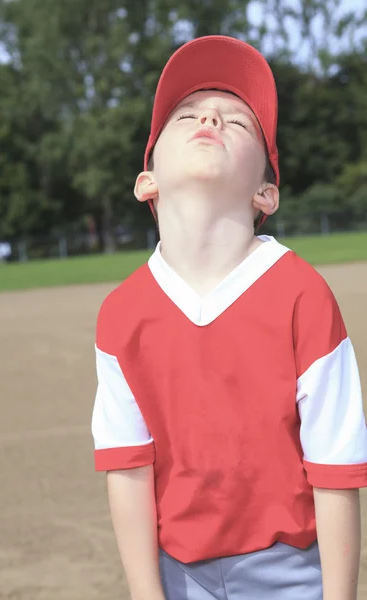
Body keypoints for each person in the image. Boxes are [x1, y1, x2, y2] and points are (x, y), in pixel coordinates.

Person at [91, 35, 367, 600]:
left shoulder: (302, 295)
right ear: (148, 180)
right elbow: (128, 469)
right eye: (187, 115)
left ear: (266, 192)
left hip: (289, 571)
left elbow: (336, 469)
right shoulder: (121, 314)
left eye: (238, 123)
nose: (210, 117)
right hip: (177, 573)